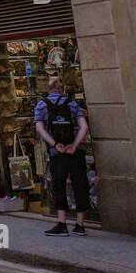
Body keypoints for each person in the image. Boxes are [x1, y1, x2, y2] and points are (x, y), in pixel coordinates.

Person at [34, 77, 90, 236]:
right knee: (79, 184)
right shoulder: (72, 104)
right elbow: (84, 126)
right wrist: (74, 145)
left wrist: (54, 144)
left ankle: (62, 223)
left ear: (48, 89)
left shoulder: (41, 105)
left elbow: (40, 129)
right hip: (75, 152)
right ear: (62, 89)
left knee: (59, 185)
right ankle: (80, 224)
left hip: (57, 153)